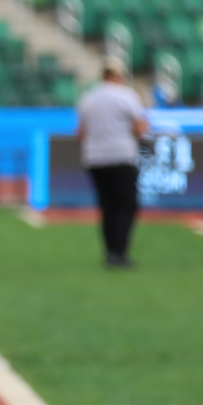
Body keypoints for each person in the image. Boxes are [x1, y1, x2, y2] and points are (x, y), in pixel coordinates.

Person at [75, 56, 150, 269]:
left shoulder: (87, 98)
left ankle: (110, 252)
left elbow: (80, 134)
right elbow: (139, 130)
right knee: (127, 205)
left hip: (95, 159)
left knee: (107, 206)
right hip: (121, 156)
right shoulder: (127, 96)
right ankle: (120, 252)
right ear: (119, 75)